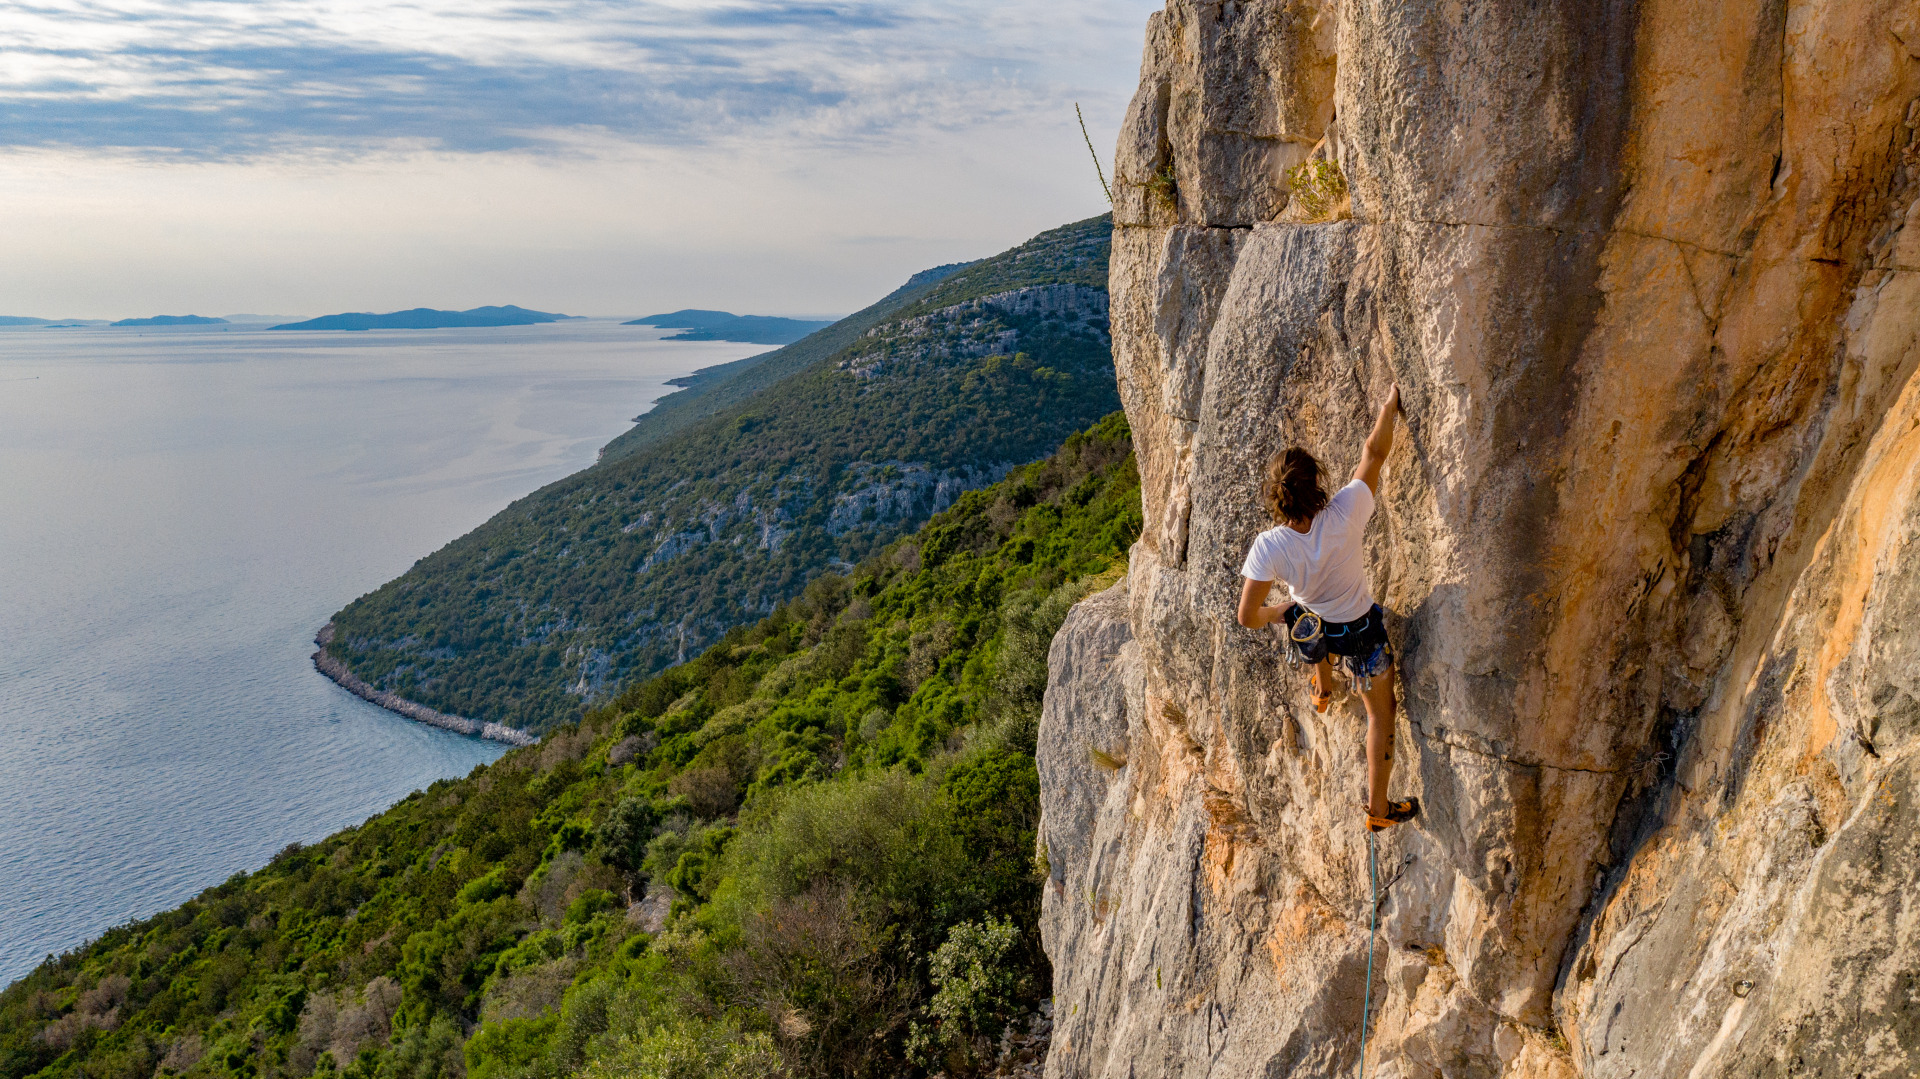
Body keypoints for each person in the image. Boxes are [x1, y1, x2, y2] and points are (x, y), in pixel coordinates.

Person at [1235, 386, 1417, 833]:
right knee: (1380, 713)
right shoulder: (1346, 511)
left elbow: (1247, 616)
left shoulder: (1269, 546)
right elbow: (1373, 453)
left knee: (1300, 618)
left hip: (1317, 628)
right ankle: (1378, 808)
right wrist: (1388, 407)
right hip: (1362, 632)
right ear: (1315, 483)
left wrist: (1280, 610)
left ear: (1276, 497)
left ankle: (1323, 686)